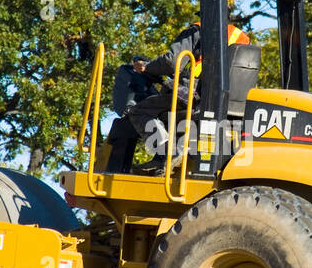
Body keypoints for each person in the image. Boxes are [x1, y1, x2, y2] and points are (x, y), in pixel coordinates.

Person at [107, 20, 251, 173]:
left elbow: (171, 62)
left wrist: (146, 67)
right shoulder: (242, 39)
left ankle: (168, 153)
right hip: (224, 102)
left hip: (193, 95)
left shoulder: (199, 31)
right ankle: (161, 158)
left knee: (137, 111)